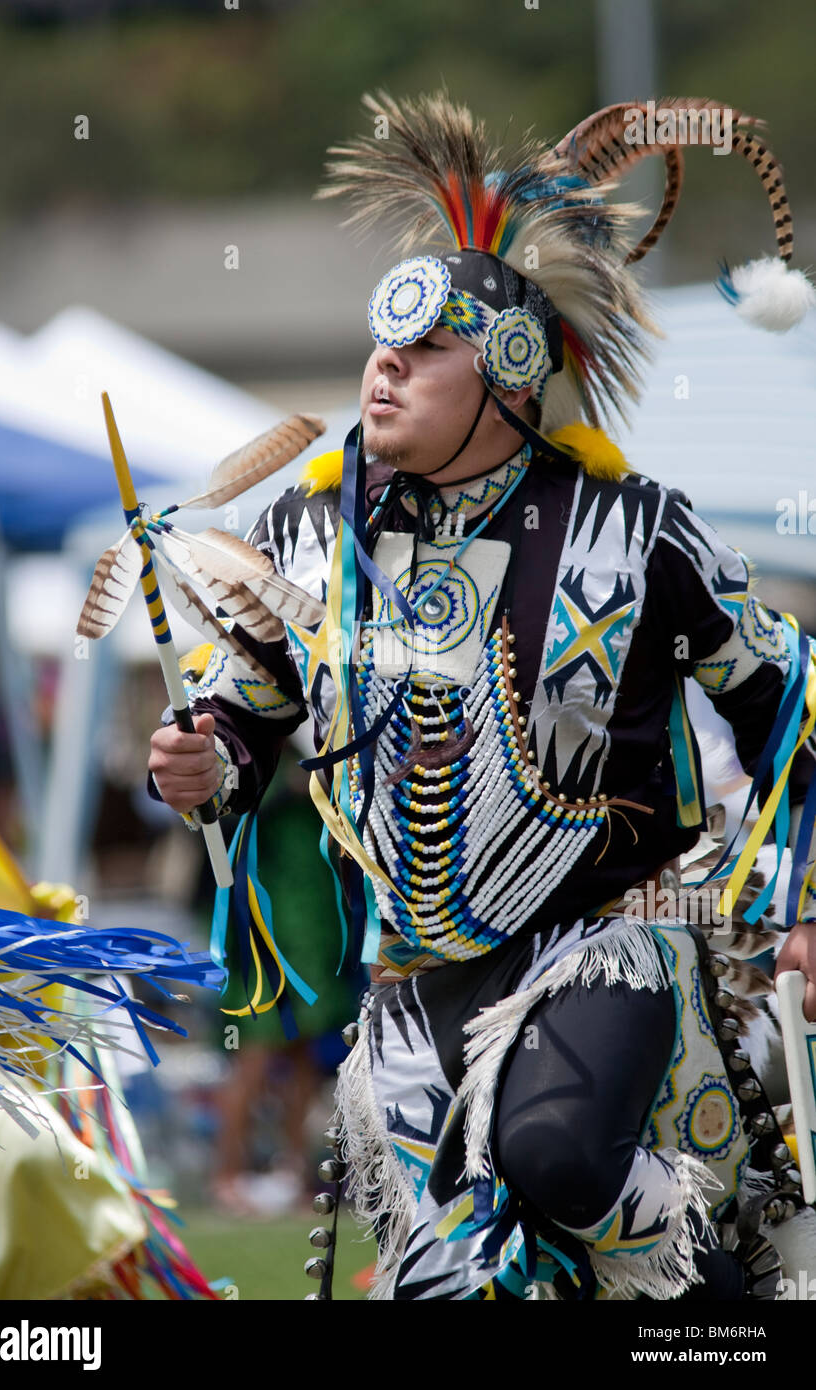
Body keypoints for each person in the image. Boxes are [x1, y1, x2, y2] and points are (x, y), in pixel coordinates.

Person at [148, 92, 816, 1301]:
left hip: (600, 940)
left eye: (423, 350)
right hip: (406, 979)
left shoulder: (632, 530)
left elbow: (790, 704)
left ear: (511, 369)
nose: (381, 371)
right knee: (441, 1289)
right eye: (377, 347)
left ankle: (740, 1303)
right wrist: (204, 762)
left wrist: (806, 905)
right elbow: (246, 711)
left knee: (554, 1152)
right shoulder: (311, 533)